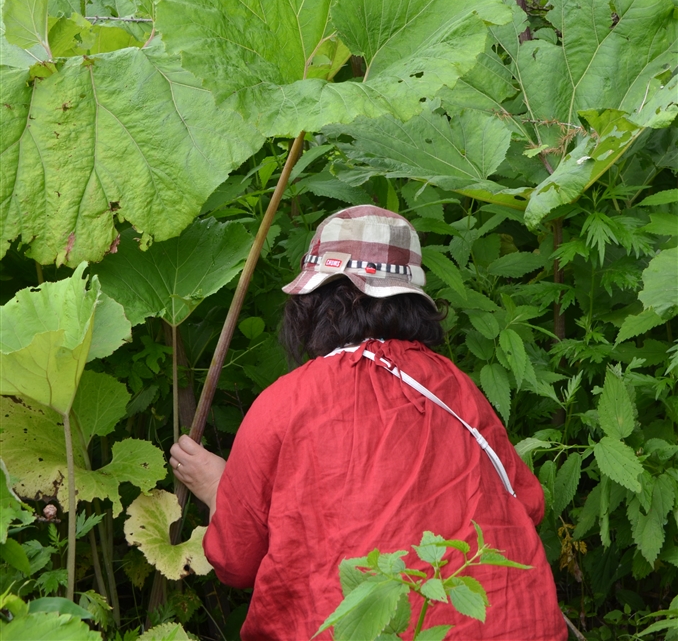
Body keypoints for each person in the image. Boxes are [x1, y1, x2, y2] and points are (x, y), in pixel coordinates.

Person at [170, 205, 567, 641]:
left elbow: (235, 559)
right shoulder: (457, 387)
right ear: (413, 303)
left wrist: (218, 488)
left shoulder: (284, 404)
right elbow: (529, 504)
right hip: (515, 625)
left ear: (310, 303)